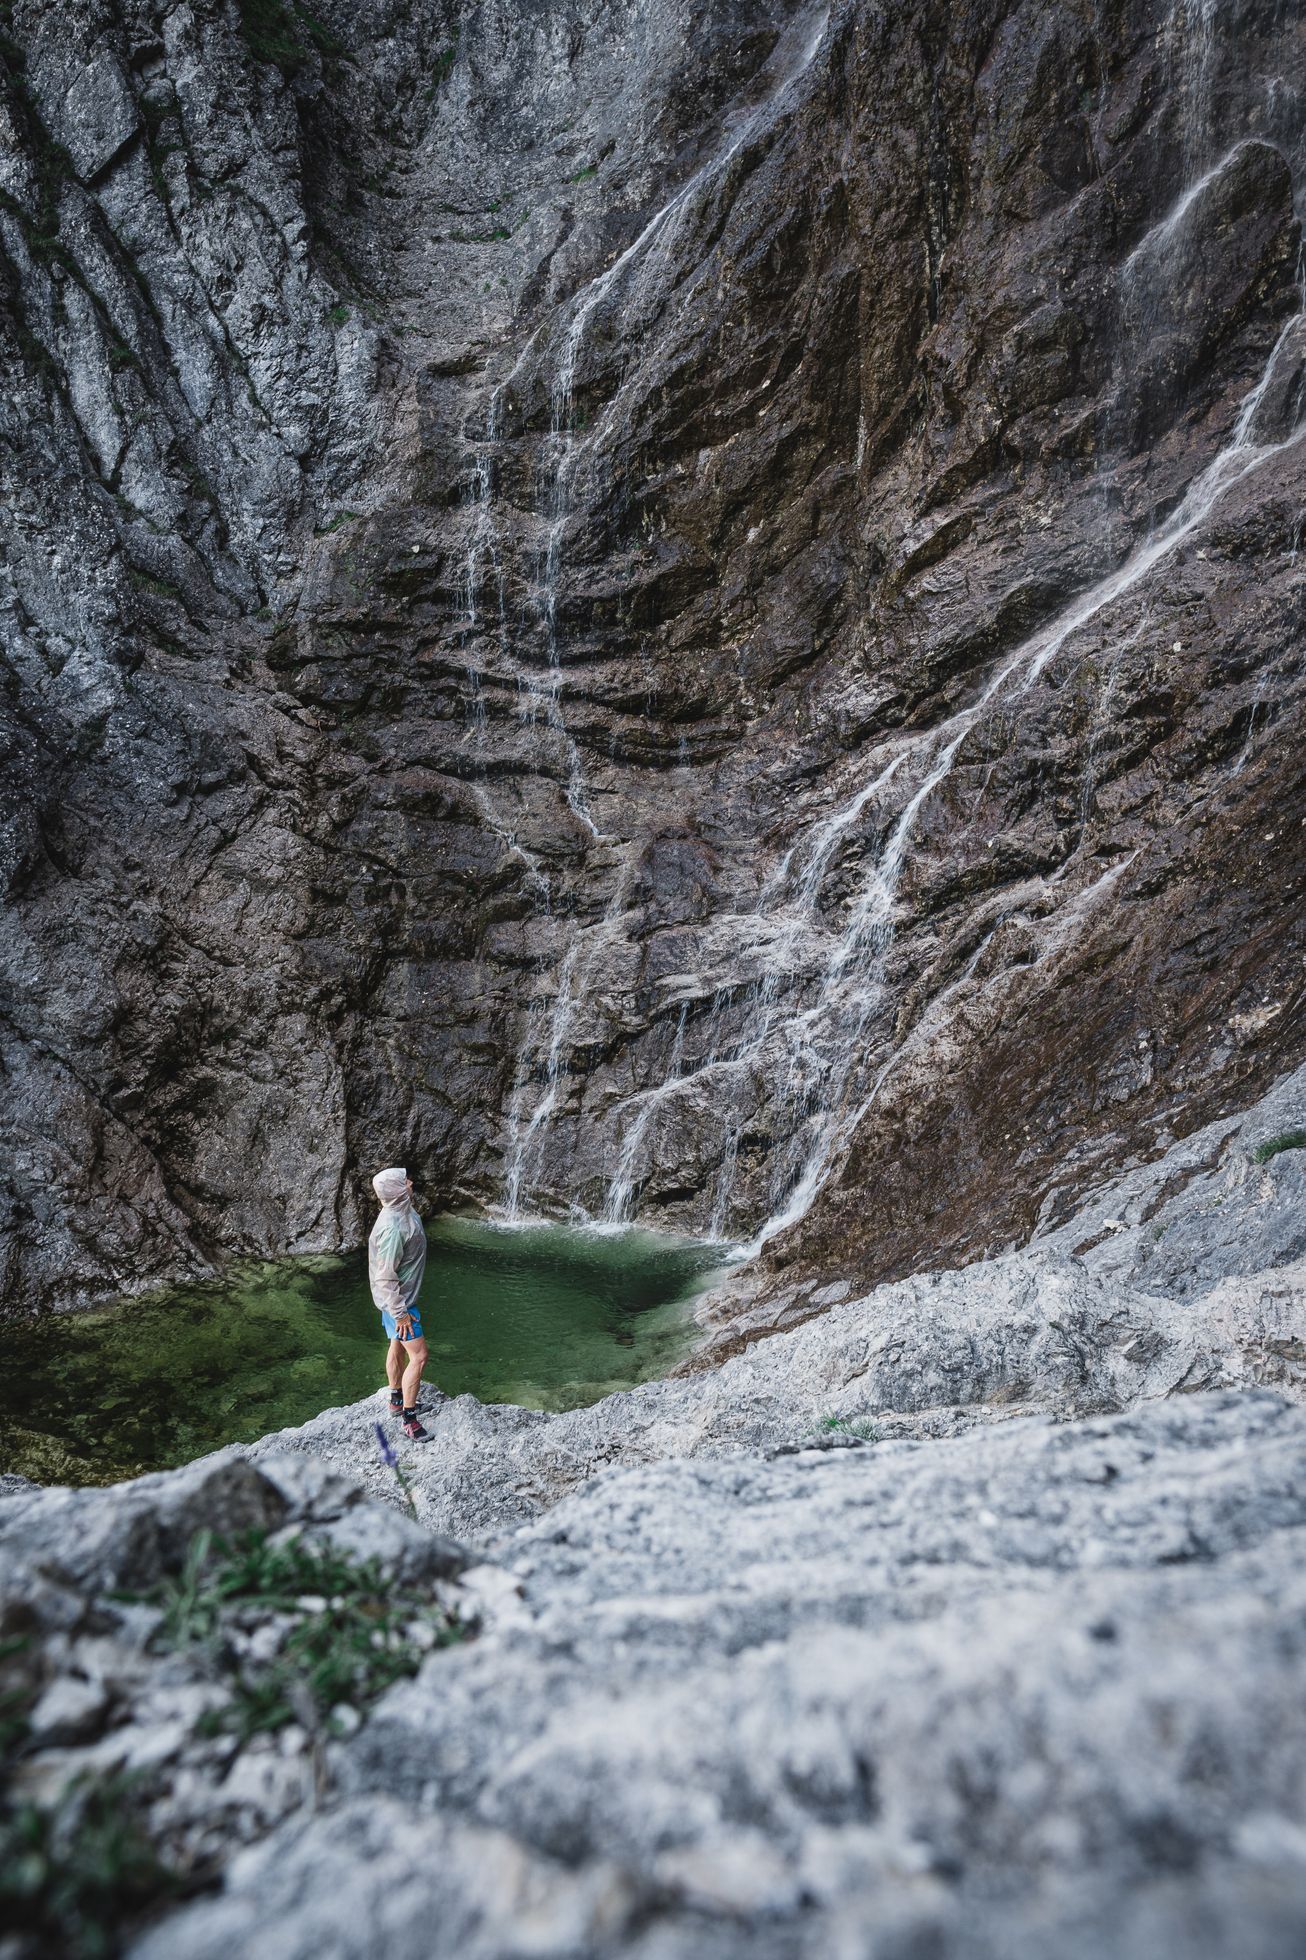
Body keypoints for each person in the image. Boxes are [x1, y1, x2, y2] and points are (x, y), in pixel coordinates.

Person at [368, 1166, 431, 1440]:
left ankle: (396, 1400)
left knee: (396, 1344)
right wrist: (401, 1314)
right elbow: (385, 1277)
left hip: (396, 1304)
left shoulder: (402, 1210)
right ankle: (410, 1420)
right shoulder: (392, 1228)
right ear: (398, 1190)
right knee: (419, 1356)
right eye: (405, 1181)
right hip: (399, 1304)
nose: (411, 1182)